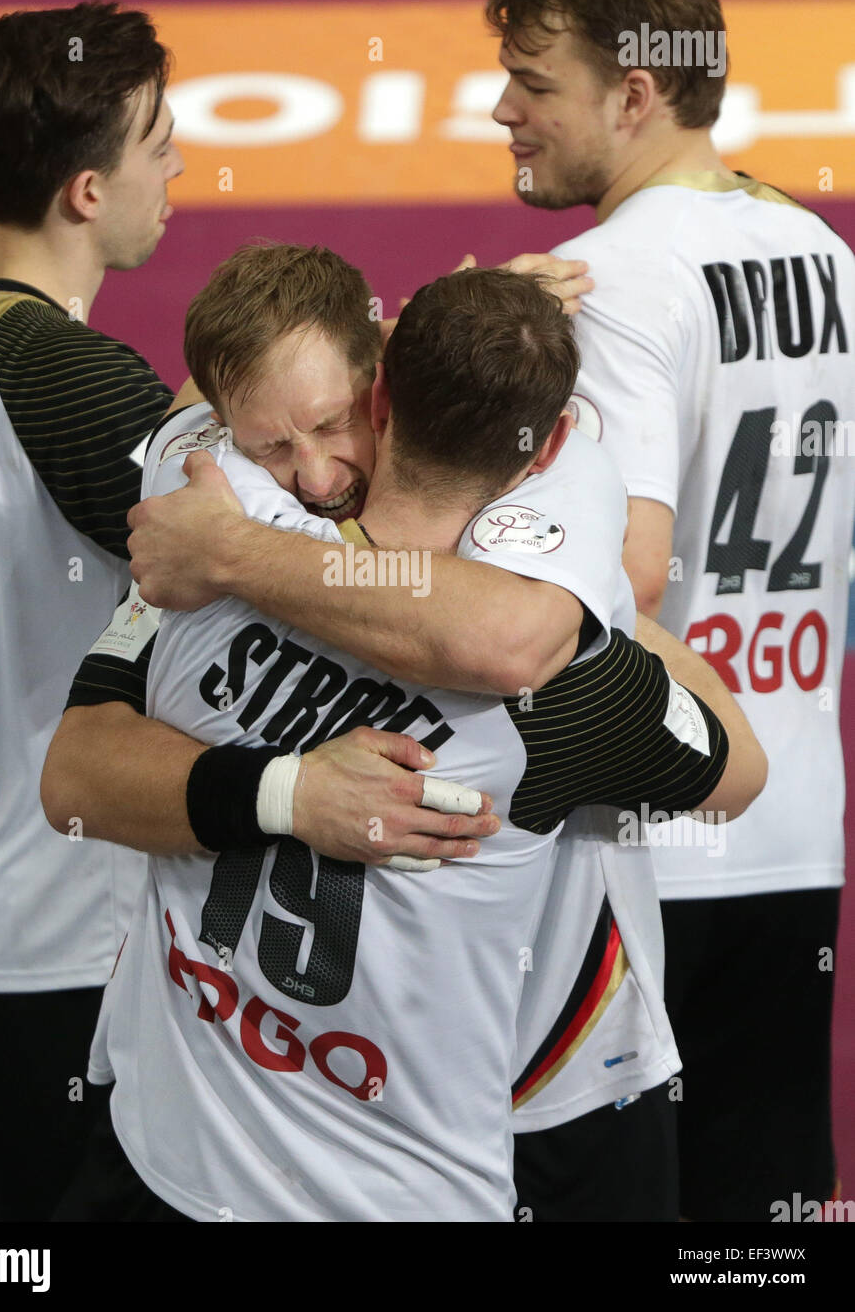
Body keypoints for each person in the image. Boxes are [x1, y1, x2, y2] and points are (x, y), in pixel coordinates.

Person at [50, 264, 762, 1221]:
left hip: (174, 1151)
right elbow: (738, 767)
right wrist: (609, 612)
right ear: (547, 445)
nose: (307, 470)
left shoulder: (201, 527)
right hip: (421, 1169)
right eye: (279, 440)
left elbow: (74, 779)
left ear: (378, 391)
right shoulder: (567, 680)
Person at [486, 0, 855, 1220]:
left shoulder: (617, 278)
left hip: (650, 847)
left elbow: (621, 578)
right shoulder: (826, 253)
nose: (501, 108)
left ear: (633, 91)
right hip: (794, 821)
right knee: (764, 1224)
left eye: (533, 81)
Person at [0, 0, 189, 1221]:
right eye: (157, 141)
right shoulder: (68, 378)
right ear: (84, 189)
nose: (175, 167)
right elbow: (233, 555)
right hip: (56, 943)